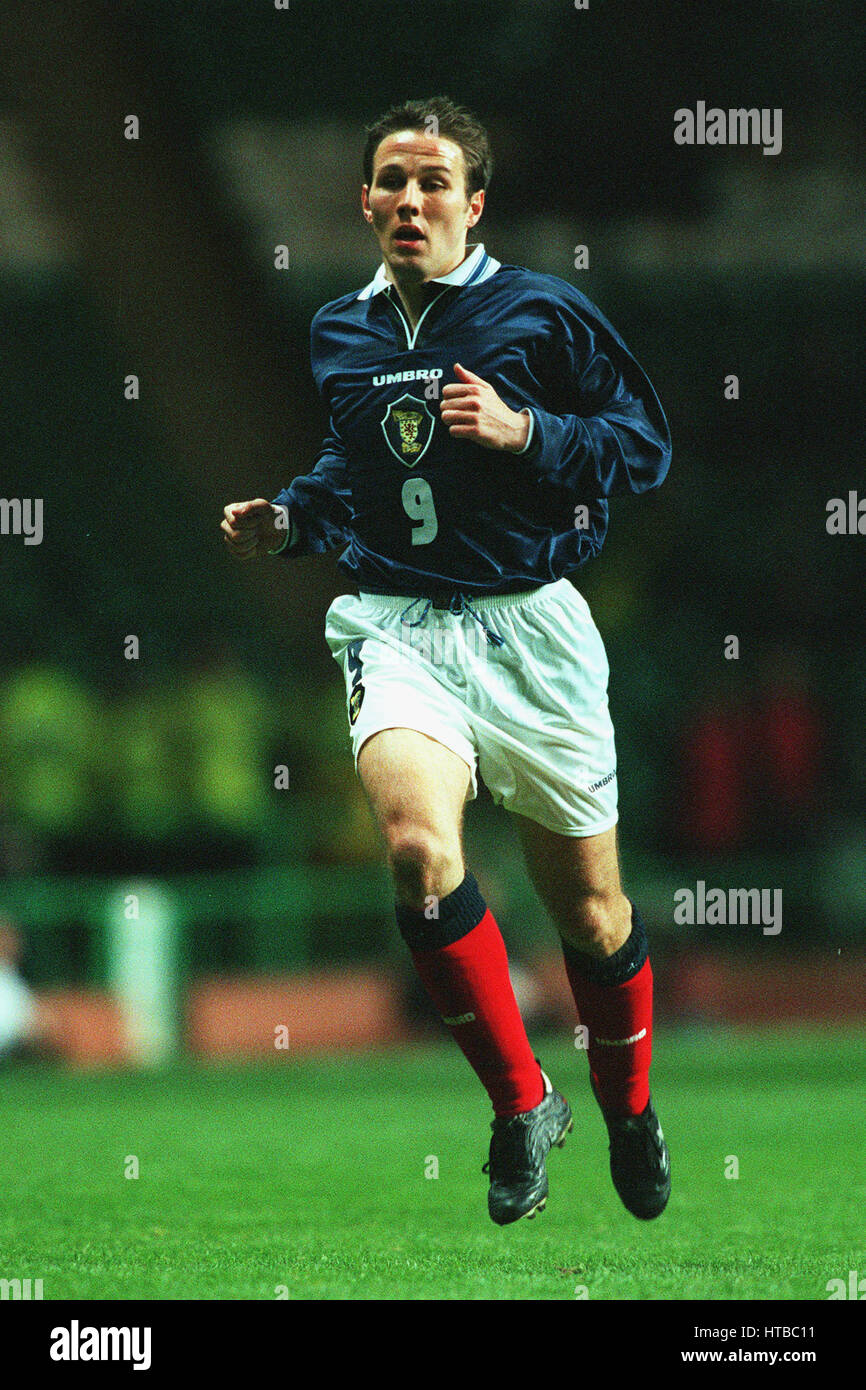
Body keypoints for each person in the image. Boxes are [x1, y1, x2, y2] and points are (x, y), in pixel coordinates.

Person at [222, 96, 672, 1225]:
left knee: (594, 915)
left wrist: (530, 434)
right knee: (419, 851)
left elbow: (644, 444)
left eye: (432, 183)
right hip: (397, 624)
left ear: (473, 204)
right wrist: (291, 516)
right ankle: (520, 1103)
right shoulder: (340, 330)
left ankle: (626, 1108)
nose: (409, 200)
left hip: (531, 631)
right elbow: (356, 469)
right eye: (390, 180)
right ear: (365, 201)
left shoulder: (541, 312)